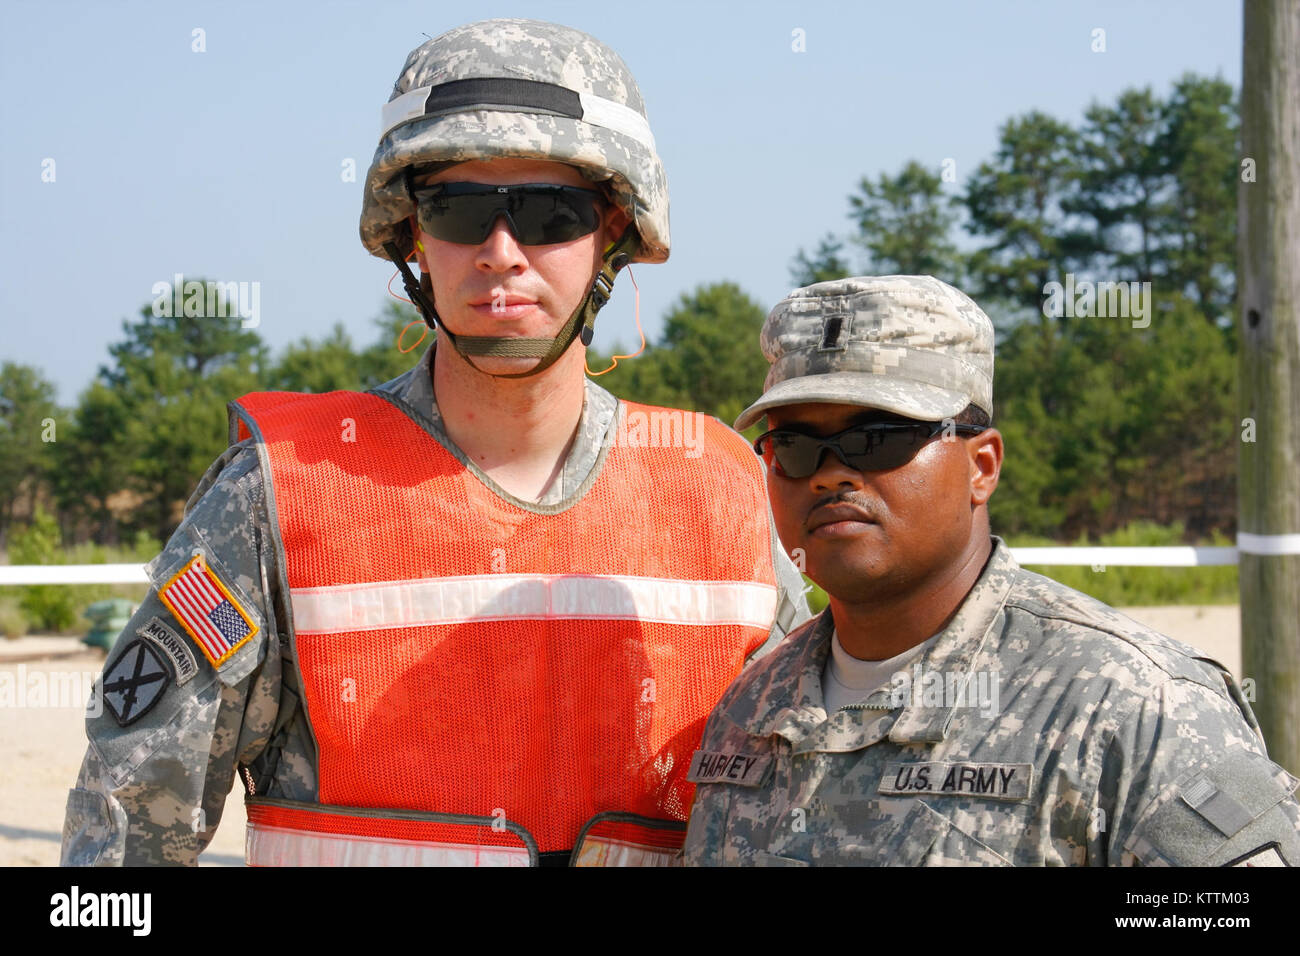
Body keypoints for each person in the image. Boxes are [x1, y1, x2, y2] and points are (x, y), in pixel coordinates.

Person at [61, 18, 808, 868]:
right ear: (413, 234)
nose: (500, 253)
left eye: (547, 212)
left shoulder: (720, 491)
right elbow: (122, 843)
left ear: (612, 232)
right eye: (459, 210)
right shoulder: (281, 491)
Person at [681, 274, 1300, 866]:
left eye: (878, 437)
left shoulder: (1131, 706)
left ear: (982, 466)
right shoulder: (750, 707)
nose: (829, 473)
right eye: (793, 445)